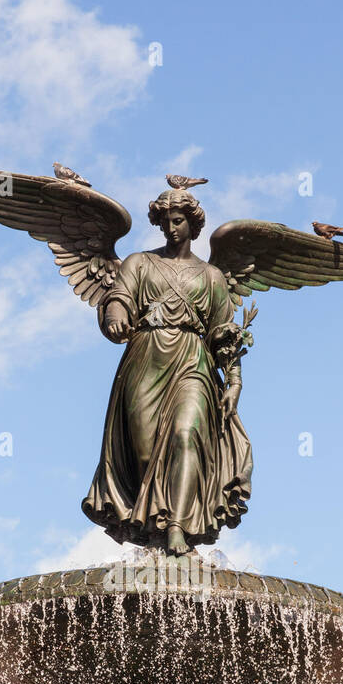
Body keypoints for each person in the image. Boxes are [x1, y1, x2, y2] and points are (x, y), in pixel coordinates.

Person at [82, 186, 252, 556]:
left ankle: (178, 526)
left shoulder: (211, 277)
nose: (171, 229)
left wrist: (235, 380)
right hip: (145, 358)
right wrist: (115, 318)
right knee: (143, 453)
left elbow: (224, 334)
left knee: (186, 433)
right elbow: (119, 301)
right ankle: (152, 525)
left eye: (178, 221)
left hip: (194, 362)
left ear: (193, 226)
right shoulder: (139, 263)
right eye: (165, 222)